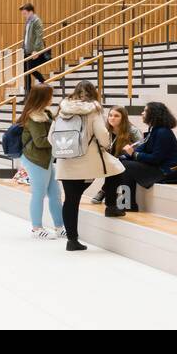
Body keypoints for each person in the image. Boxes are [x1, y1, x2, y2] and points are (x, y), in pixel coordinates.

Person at [53, 81, 127, 252]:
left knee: (70, 200)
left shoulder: (62, 110)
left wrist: (66, 149)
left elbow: (51, 137)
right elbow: (103, 135)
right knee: (117, 169)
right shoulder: (93, 110)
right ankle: (111, 205)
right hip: (87, 159)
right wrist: (105, 145)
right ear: (93, 93)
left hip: (65, 160)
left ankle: (72, 240)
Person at [118, 102, 177, 211]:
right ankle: (125, 204)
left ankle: (127, 204)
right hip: (160, 167)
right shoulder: (154, 130)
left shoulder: (163, 132)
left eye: (145, 111)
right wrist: (124, 156)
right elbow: (141, 149)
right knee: (121, 162)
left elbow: (155, 158)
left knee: (126, 166)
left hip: (170, 171)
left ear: (153, 114)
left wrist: (134, 154)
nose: (142, 113)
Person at [17, 83, 64, 239]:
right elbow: (40, 142)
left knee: (55, 193)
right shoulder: (33, 117)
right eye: (50, 95)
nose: (52, 98)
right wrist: (59, 139)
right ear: (43, 97)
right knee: (39, 194)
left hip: (45, 159)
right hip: (35, 160)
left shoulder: (46, 113)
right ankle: (36, 228)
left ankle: (59, 226)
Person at [92, 105, 142, 204]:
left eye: (116, 116)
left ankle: (104, 190)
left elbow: (141, 146)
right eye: (110, 115)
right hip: (112, 158)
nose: (112, 118)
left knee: (115, 164)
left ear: (123, 118)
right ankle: (105, 192)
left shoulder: (132, 130)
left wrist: (131, 150)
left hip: (128, 159)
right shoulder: (105, 129)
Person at [20, 3, 50, 88]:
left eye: (25, 13)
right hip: (27, 50)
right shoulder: (28, 21)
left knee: (29, 69)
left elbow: (39, 36)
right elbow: (26, 36)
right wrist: (23, 48)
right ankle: (28, 90)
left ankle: (43, 82)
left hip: (34, 51)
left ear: (31, 12)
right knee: (26, 70)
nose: (24, 16)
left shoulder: (36, 21)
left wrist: (36, 50)